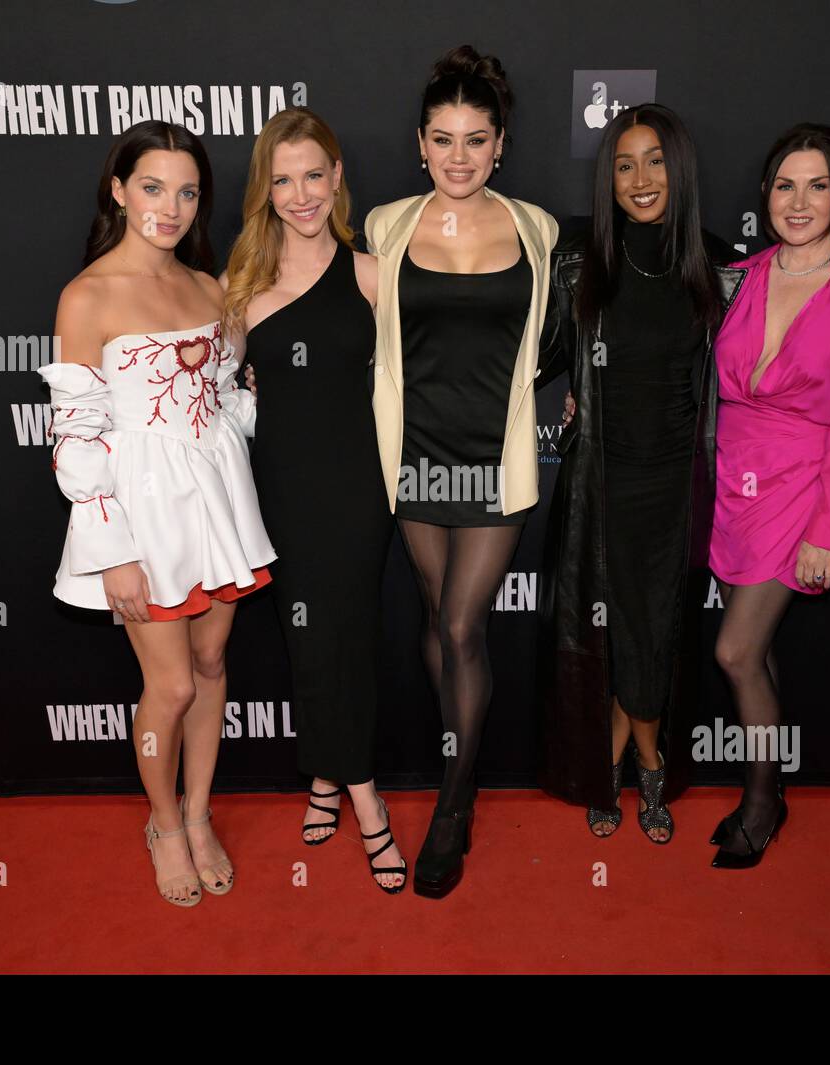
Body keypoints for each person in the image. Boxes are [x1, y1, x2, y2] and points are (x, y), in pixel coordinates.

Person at [37, 120, 275, 906]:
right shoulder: (88, 295)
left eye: (187, 192)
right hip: (142, 520)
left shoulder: (208, 287)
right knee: (169, 688)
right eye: (151, 187)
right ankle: (164, 823)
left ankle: (200, 813)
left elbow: (226, 397)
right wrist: (114, 551)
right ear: (117, 190)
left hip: (214, 509)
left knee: (211, 668)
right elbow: (75, 439)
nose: (169, 207)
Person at [365, 44, 558, 897]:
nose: (458, 156)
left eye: (475, 139)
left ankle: (452, 800)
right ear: (419, 142)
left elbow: (562, 337)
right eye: (442, 139)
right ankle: (462, 760)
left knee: (460, 627)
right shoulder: (384, 225)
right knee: (435, 620)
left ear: (501, 143)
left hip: (493, 457)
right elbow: (331, 309)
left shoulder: (537, 229)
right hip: (414, 457)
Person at [535, 104, 746, 844]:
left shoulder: (719, 270)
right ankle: (629, 764)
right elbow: (525, 356)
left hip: (677, 491)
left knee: (657, 630)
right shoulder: (575, 262)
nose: (640, 179)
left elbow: (759, 376)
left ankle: (634, 756)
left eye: (655, 161)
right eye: (624, 165)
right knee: (609, 631)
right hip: (601, 485)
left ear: (679, 168)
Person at [708, 123, 830, 868]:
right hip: (732, 483)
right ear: (766, 194)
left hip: (803, 487)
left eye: (817, 186)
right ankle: (766, 786)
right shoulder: (744, 275)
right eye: (785, 185)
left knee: (734, 649)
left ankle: (763, 799)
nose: (799, 201)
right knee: (754, 652)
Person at [221, 107, 404, 893]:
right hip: (282, 490)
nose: (300, 194)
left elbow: (404, 385)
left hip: (358, 487)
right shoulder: (243, 288)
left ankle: (354, 787)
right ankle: (328, 777)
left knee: (351, 636)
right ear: (266, 189)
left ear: (337, 180)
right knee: (307, 639)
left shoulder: (371, 274)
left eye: (313, 175)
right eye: (283, 178)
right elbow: (219, 393)